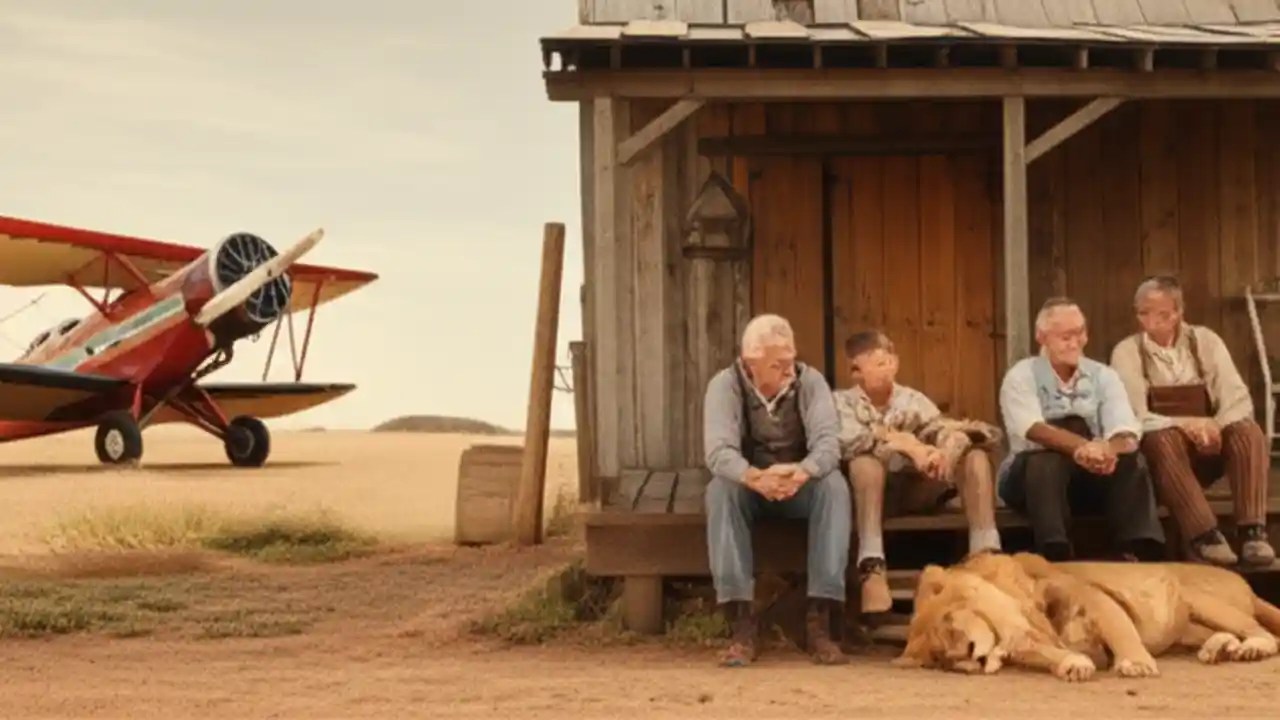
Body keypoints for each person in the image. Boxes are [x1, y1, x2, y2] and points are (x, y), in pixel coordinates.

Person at [702, 313, 851, 667]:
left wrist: (803, 471)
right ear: (751, 361)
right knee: (719, 492)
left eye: (791, 360)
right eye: (778, 364)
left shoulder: (810, 381)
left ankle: (820, 622)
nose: (789, 371)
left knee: (834, 487)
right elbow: (718, 452)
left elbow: (829, 444)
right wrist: (755, 477)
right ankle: (741, 625)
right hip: (750, 486)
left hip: (798, 483)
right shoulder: (725, 386)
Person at [833, 330, 1004, 614]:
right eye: (876, 364)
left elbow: (938, 429)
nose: (886, 369)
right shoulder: (841, 403)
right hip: (866, 496)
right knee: (865, 463)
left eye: (889, 361)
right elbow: (849, 442)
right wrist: (907, 446)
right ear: (856, 371)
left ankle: (986, 556)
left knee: (972, 456)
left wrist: (946, 447)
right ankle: (872, 567)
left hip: (913, 489)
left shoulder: (912, 400)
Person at [1110, 275, 1275, 567]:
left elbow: (1238, 399)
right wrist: (1186, 423)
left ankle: (1253, 531)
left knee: (1248, 431)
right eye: (1143, 314)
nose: (1151, 322)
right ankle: (1205, 535)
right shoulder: (1127, 352)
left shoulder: (1205, 341)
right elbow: (1132, 416)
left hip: (1210, 444)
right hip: (1162, 458)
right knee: (1163, 438)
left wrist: (1215, 425)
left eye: (1162, 314)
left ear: (1178, 313)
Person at [997, 297, 1166, 562]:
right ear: (1042, 337)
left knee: (1132, 460)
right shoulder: (1021, 375)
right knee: (1045, 462)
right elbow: (1031, 428)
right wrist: (1081, 447)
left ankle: (1139, 546)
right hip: (1029, 480)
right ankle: (1056, 550)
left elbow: (1125, 427)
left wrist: (1108, 450)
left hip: (1091, 471)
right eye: (1065, 336)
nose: (1075, 343)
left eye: (1080, 333)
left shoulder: (1103, 375)